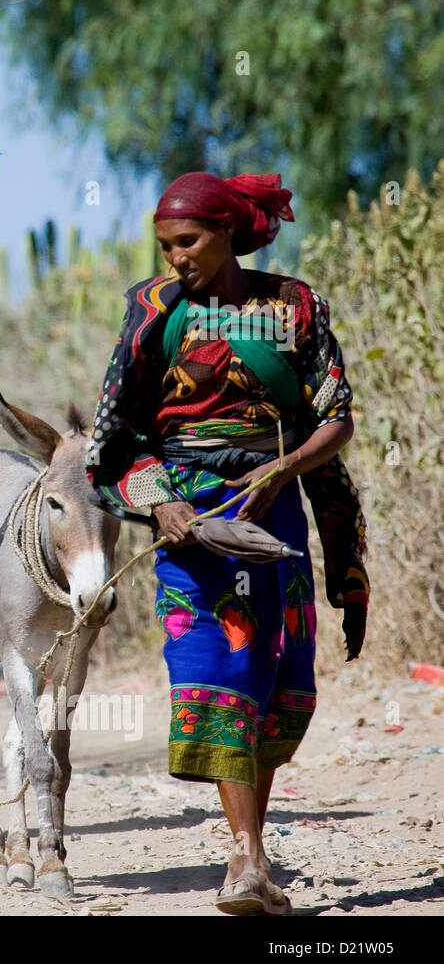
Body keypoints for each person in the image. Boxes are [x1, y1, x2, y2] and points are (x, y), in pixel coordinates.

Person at [86, 171, 369, 915]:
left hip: (269, 510)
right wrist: (165, 505)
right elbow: (109, 449)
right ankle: (246, 856)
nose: (176, 257)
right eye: (166, 245)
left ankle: (253, 843)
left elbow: (336, 415)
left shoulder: (293, 306)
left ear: (228, 231)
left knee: (272, 671)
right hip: (191, 522)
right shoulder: (153, 314)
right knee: (218, 667)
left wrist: (286, 467)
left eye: (190, 241)